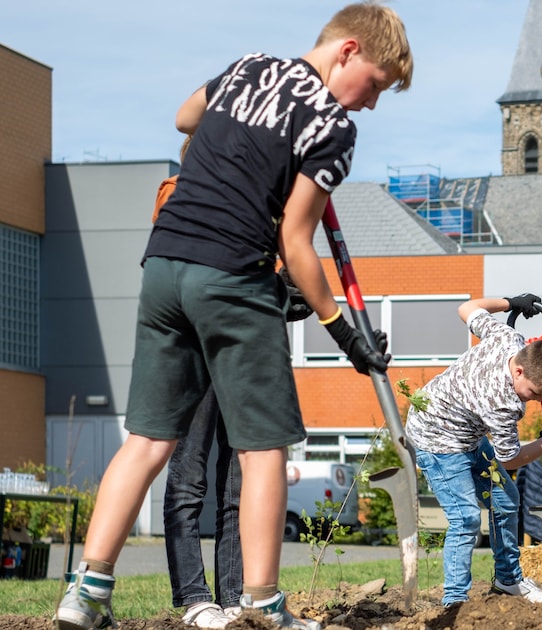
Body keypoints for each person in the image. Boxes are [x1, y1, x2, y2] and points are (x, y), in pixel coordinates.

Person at [53, 3, 412, 629]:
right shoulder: (332, 126)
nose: (371, 105)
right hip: (231, 276)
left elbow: (184, 116)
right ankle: (265, 607)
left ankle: (85, 593)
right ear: (349, 50)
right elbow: (297, 246)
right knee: (263, 451)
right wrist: (343, 335)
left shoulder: (248, 66)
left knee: (145, 441)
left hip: (164, 266)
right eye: (376, 85)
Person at [154, 137, 315, 629]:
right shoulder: (175, 192)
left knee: (234, 487)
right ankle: (193, 598)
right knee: (188, 478)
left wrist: (286, 291)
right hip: (192, 356)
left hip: (236, 356)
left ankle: (232, 597)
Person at [405, 294, 542, 608]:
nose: (535, 400)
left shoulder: (507, 338)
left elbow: (467, 308)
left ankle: (508, 579)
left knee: (506, 500)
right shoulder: (503, 402)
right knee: (466, 519)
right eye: (534, 393)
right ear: (519, 372)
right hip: (436, 441)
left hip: (466, 433)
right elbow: (508, 459)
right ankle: (455, 601)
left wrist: (509, 302)